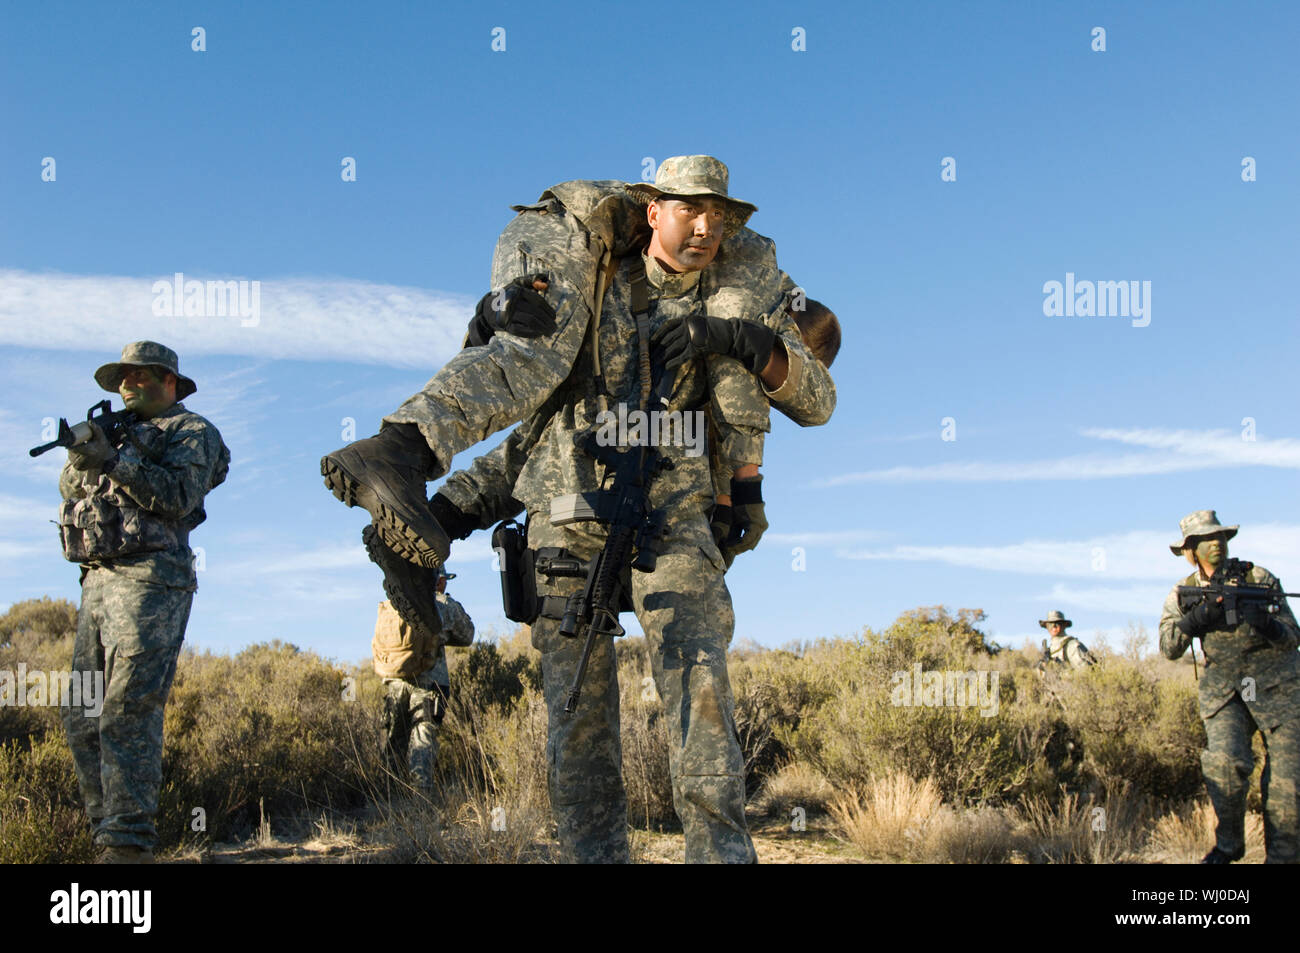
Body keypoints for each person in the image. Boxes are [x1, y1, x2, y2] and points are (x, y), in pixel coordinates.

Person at [327, 155, 834, 862]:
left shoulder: (735, 294)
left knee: (701, 691)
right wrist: (488, 314)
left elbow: (818, 398)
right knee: (578, 730)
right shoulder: (584, 280)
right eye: (690, 209)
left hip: (674, 514)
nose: (707, 227)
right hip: (567, 506)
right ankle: (419, 503)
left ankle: (722, 853)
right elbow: (517, 398)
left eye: (719, 215)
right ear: (651, 209)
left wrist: (742, 341)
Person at [57, 341, 230, 863]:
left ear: (170, 382)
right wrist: (83, 456)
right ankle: (105, 838)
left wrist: (115, 458)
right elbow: (71, 490)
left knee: (128, 711)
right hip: (97, 582)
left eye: (140, 377)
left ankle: (128, 849)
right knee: (83, 715)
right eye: (122, 379)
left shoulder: (192, 431)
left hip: (151, 579)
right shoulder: (119, 432)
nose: (128, 386)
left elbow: (178, 496)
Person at [1158, 510, 1300, 864]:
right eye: (1205, 539)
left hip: (1279, 689)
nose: (1215, 544)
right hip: (1225, 693)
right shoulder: (1182, 592)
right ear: (1190, 549)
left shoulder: (1258, 577)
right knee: (1223, 765)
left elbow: (1292, 636)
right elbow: (1168, 647)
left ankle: (1284, 858)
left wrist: (1267, 624)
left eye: (1218, 537)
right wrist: (1197, 619)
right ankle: (1228, 848)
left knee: (1288, 784)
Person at [369, 538, 474, 791]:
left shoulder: (395, 604)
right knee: (423, 737)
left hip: (395, 680)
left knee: (394, 737)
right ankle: (420, 796)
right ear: (438, 579)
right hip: (429, 682)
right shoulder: (443, 606)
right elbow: (467, 634)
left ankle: (386, 796)